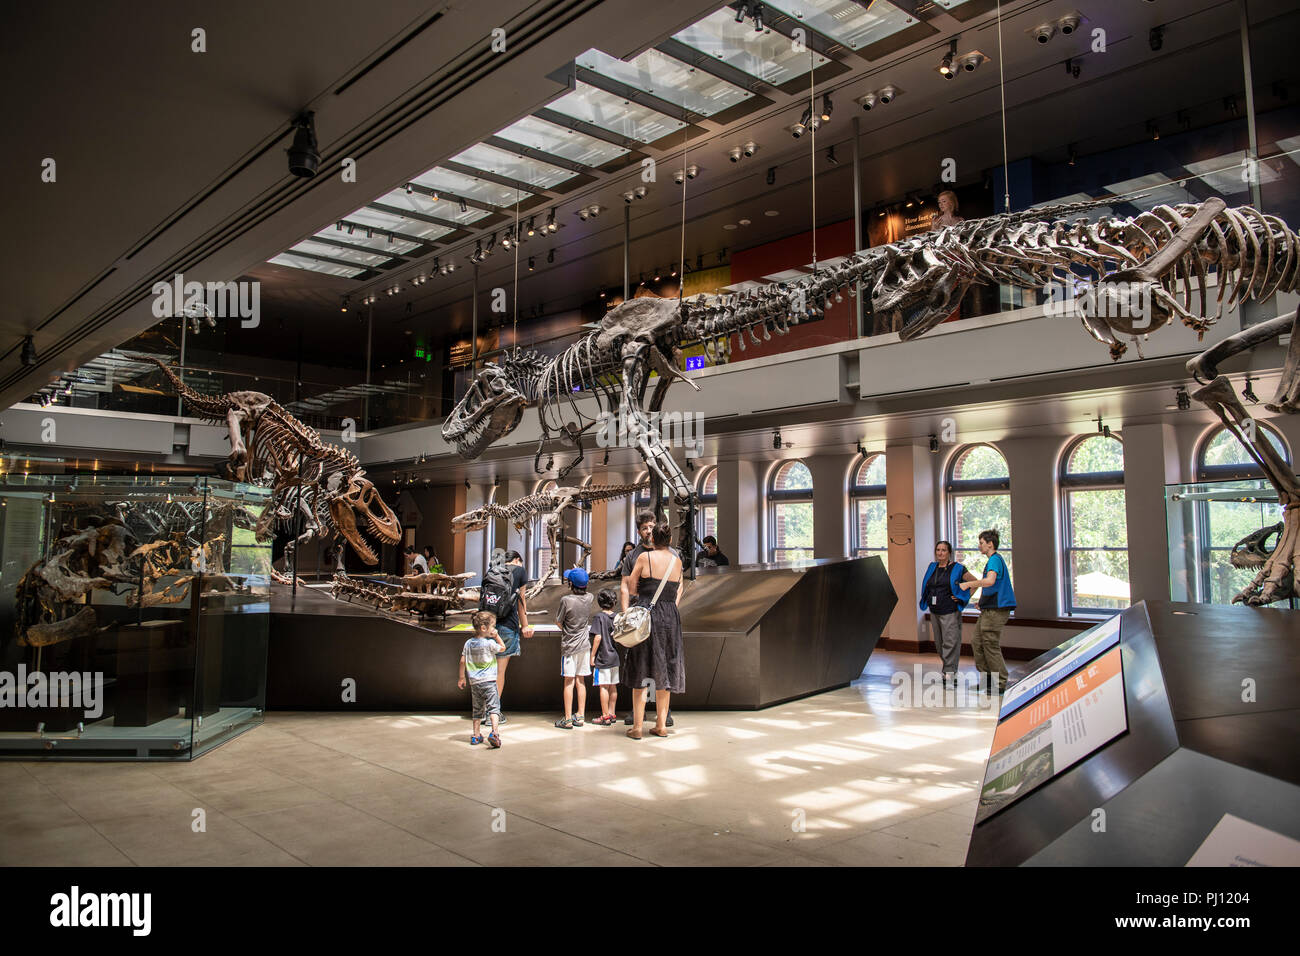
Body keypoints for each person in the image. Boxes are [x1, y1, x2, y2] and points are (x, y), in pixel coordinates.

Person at [622, 524, 684, 739]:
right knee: (665, 668)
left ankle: (638, 727)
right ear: (669, 538)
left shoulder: (644, 558)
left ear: (652, 539)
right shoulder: (677, 562)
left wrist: (644, 593)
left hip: (646, 613)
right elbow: (678, 589)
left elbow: (631, 587)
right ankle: (661, 725)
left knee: (640, 666)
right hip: (670, 616)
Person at [959, 529, 1016, 695]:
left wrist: (968, 584)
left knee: (990, 644)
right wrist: (982, 602)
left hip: (996, 612)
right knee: (977, 642)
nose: (979, 546)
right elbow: (994, 586)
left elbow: (990, 581)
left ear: (990, 544)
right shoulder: (992, 561)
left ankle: (1000, 682)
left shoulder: (994, 560)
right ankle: (987, 680)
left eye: (981, 543)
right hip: (989, 609)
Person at [479, 549, 533, 722]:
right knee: (499, 672)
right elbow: (521, 600)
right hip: (507, 627)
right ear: (517, 560)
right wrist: (525, 625)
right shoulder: (520, 571)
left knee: (486, 669)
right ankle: (492, 713)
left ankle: (480, 711)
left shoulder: (492, 571)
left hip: (487, 626)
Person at [919, 541, 968, 687]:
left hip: (950, 611)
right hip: (934, 610)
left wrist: (962, 596)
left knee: (950, 643)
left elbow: (973, 582)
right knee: (940, 644)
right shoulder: (932, 567)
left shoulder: (958, 568)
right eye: (938, 550)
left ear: (949, 552)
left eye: (943, 550)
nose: (940, 553)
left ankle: (949, 674)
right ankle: (949, 671)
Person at [457, 610, 505, 748]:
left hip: (475, 683)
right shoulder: (489, 644)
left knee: (477, 709)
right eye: (493, 627)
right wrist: (497, 637)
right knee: (494, 708)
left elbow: (462, 661)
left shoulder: (468, 643)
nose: (494, 629)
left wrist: (461, 677)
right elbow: (503, 648)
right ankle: (494, 732)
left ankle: (476, 735)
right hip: (489, 682)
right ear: (484, 628)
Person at [554, 568, 594, 729]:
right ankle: (581, 715)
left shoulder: (566, 600)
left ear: (570, 583)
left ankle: (568, 718)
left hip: (570, 646)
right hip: (585, 646)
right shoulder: (590, 598)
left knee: (568, 682)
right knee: (581, 680)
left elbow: (558, 622)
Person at [589, 588, 620, 725]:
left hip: (603, 658)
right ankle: (612, 713)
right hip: (615, 657)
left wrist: (592, 656)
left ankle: (605, 715)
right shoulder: (617, 617)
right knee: (613, 686)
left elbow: (598, 637)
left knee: (603, 687)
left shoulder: (599, 617)